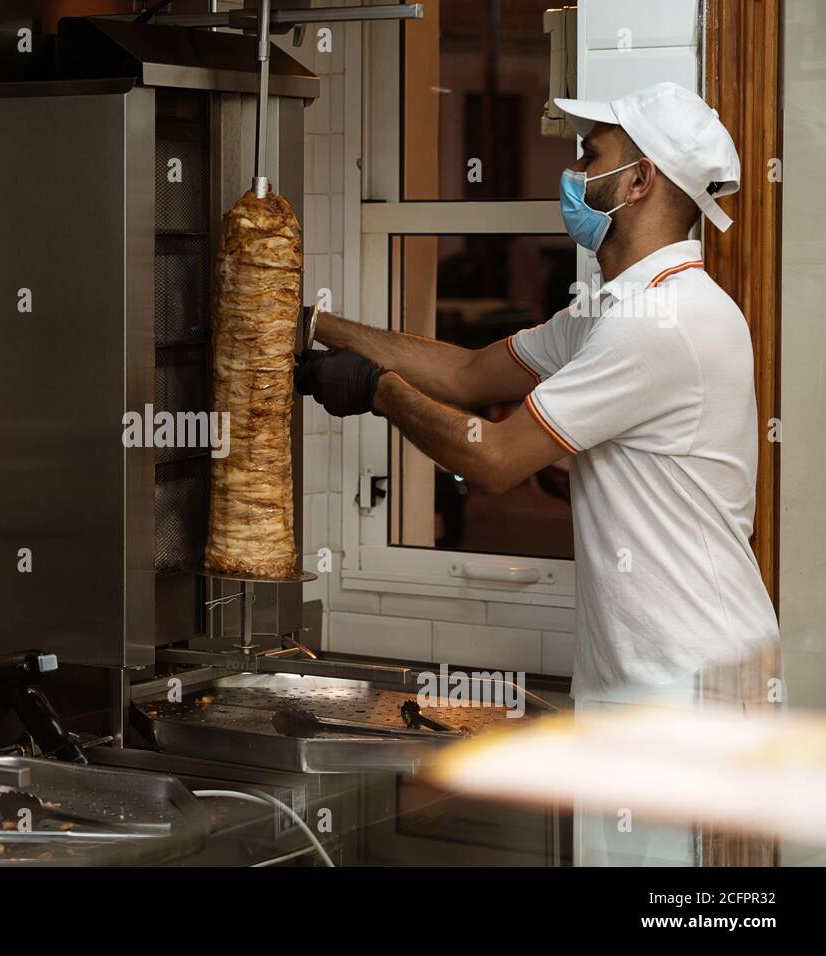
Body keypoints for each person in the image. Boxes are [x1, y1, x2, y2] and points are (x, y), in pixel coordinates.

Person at [294, 81, 780, 865]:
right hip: (653, 677)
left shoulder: (661, 321)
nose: (573, 171)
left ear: (639, 180)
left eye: (591, 155)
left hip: (688, 687)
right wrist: (313, 326)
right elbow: (468, 374)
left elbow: (494, 458)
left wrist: (379, 392)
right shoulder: (617, 309)